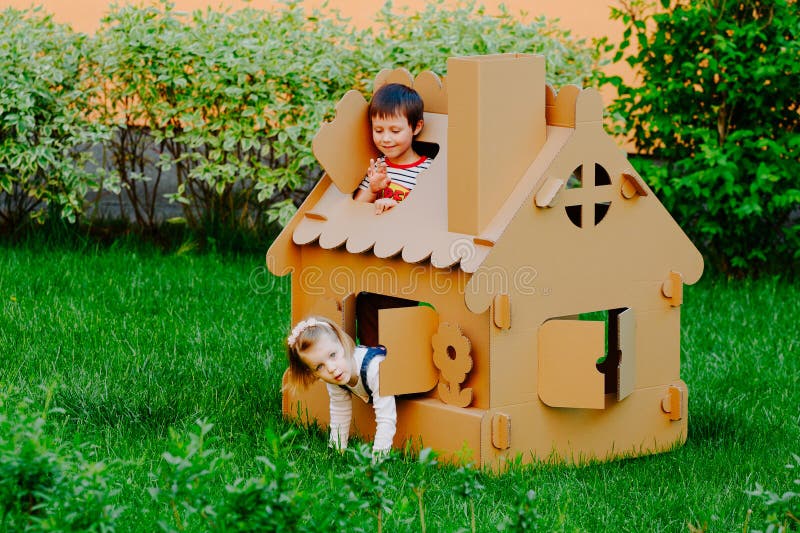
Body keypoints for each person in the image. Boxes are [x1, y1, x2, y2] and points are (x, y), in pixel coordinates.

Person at [285, 316, 396, 454]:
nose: (331, 368)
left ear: (342, 342)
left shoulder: (375, 369)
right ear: (312, 373)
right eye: (319, 367)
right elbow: (339, 410)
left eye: (332, 355)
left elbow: (386, 418)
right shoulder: (336, 376)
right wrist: (337, 450)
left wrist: (378, 461)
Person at [354, 83, 432, 215]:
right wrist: (372, 191)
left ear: (417, 127)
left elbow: (430, 213)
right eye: (378, 130)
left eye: (395, 131)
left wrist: (396, 209)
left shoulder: (429, 169)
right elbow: (353, 208)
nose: (385, 138)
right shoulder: (377, 167)